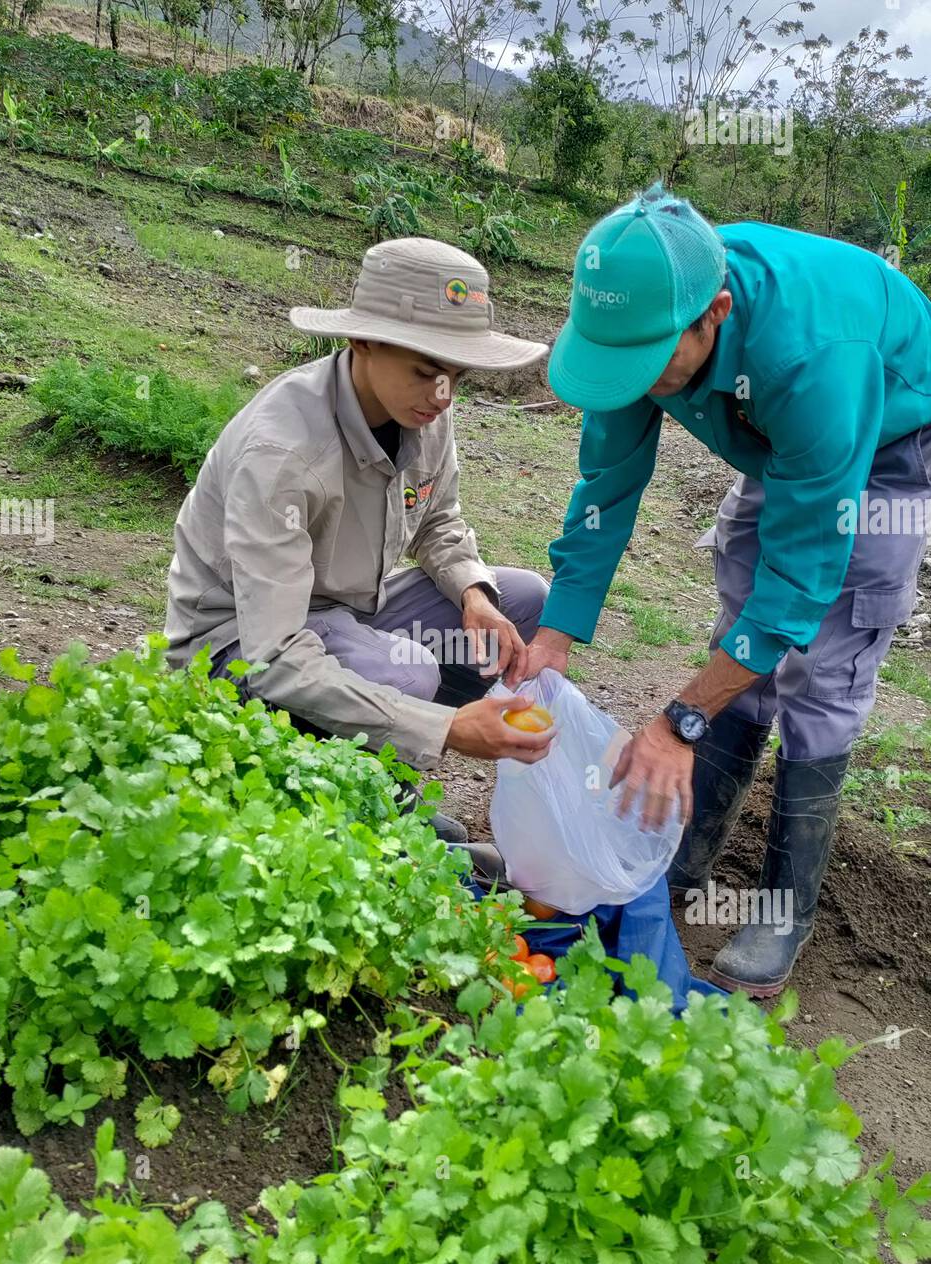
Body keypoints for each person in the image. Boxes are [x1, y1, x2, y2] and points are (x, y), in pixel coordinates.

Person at [526, 182, 931, 997]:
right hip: (777, 437)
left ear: (712, 313)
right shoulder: (636, 330)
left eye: (647, 364)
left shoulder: (810, 353)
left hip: (879, 438)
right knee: (737, 634)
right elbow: (606, 484)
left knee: (821, 659)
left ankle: (786, 902)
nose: (633, 382)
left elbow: (801, 575)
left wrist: (678, 719)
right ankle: (685, 852)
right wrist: (555, 633)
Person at [164, 236, 555, 838]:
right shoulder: (284, 453)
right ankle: (360, 815)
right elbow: (274, 655)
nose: (443, 394)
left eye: (456, 374)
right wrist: (445, 730)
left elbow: (437, 521)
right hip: (241, 650)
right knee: (407, 671)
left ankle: (374, 771)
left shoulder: (423, 412)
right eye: (427, 371)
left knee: (521, 597)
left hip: (348, 616)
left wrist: (475, 594)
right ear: (363, 340)